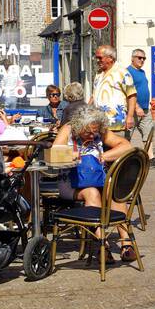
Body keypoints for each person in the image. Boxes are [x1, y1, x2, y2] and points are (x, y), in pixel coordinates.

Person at [52, 105, 138, 262]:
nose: (92, 135)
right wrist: (74, 155)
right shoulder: (68, 129)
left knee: (113, 191)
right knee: (92, 192)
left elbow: (127, 146)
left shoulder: (99, 129)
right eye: (88, 132)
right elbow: (54, 153)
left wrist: (104, 155)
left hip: (98, 178)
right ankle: (102, 245)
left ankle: (126, 242)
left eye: (95, 132)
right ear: (79, 126)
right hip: (71, 183)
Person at [90, 44, 136, 127]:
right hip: (99, 123)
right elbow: (94, 95)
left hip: (117, 123)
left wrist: (130, 116)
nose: (97, 60)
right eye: (96, 58)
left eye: (100, 58)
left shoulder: (122, 72)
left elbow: (132, 95)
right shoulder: (98, 73)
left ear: (110, 58)